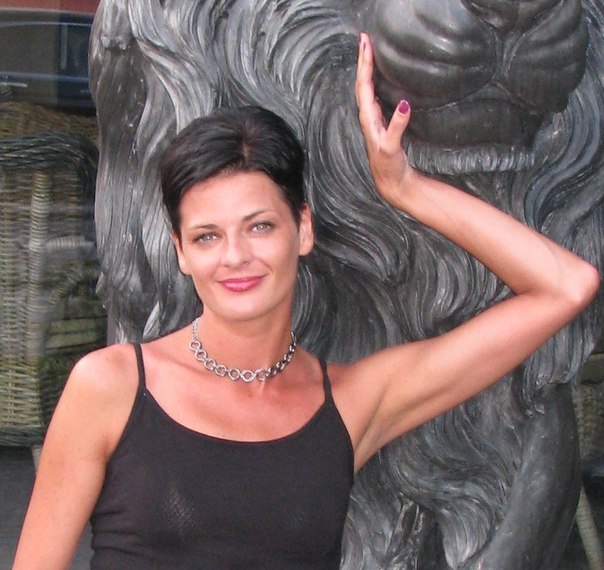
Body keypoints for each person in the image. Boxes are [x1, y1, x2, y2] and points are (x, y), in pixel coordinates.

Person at [12, 33, 599, 570]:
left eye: (260, 226)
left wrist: (404, 188)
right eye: (207, 236)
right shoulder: (111, 386)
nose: (235, 256)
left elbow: (565, 285)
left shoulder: (351, 403)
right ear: (181, 252)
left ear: (304, 230)